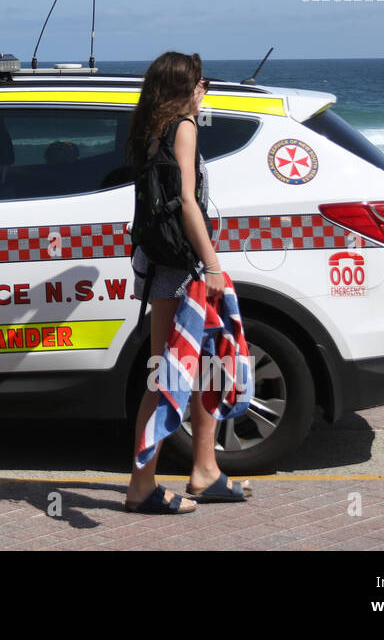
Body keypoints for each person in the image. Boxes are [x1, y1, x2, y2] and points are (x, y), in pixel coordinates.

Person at [122, 52, 246, 514]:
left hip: (162, 265)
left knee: (199, 364)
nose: (204, 89)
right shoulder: (184, 128)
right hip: (183, 269)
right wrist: (212, 266)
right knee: (168, 372)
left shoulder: (148, 132)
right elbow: (188, 203)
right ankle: (142, 484)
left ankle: (205, 468)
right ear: (185, 87)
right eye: (201, 82)